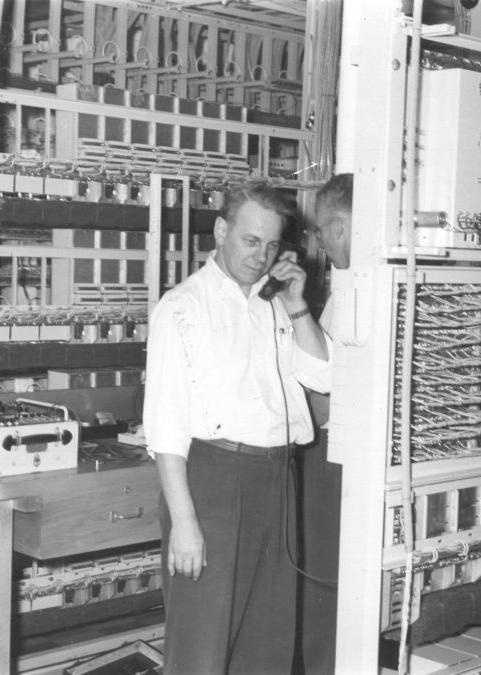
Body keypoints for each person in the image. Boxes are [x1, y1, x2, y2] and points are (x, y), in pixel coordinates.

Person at [143, 181, 333, 674]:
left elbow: (324, 376)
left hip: (277, 478)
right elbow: (164, 427)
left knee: (268, 645)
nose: (262, 255)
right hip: (214, 482)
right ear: (222, 231)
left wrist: (297, 302)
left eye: (272, 245)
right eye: (251, 241)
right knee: (202, 648)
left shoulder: (275, 305)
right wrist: (184, 525)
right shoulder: (182, 307)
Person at [297, 173, 352, 674]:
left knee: (322, 580)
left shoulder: (355, 291)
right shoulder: (366, 282)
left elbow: (323, 402)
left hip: (332, 459)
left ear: (337, 226)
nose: (318, 242)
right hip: (357, 458)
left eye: (318, 231)